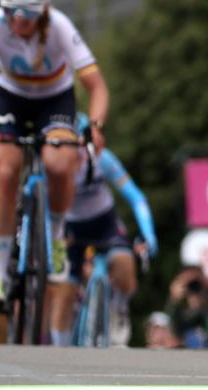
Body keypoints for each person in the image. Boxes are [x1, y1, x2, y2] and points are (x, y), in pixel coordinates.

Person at [0, 0, 109, 315]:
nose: (19, 20)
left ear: (44, 9)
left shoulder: (60, 27)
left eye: (28, 13)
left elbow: (97, 87)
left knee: (60, 161)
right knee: (4, 168)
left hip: (53, 99)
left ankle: (57, 234)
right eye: (11, 10)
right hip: (7, 95)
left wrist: (94, 126)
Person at [50, 114, 159, 347]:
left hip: (105, 223)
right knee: (64, 291)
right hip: (70, 228)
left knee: (123, 262)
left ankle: (119, 310)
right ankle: (59, 349)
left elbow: (136, 197)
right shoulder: (58, 165)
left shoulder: (103, 159)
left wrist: (149, 235)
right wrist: (54, 248)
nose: (79, 154)